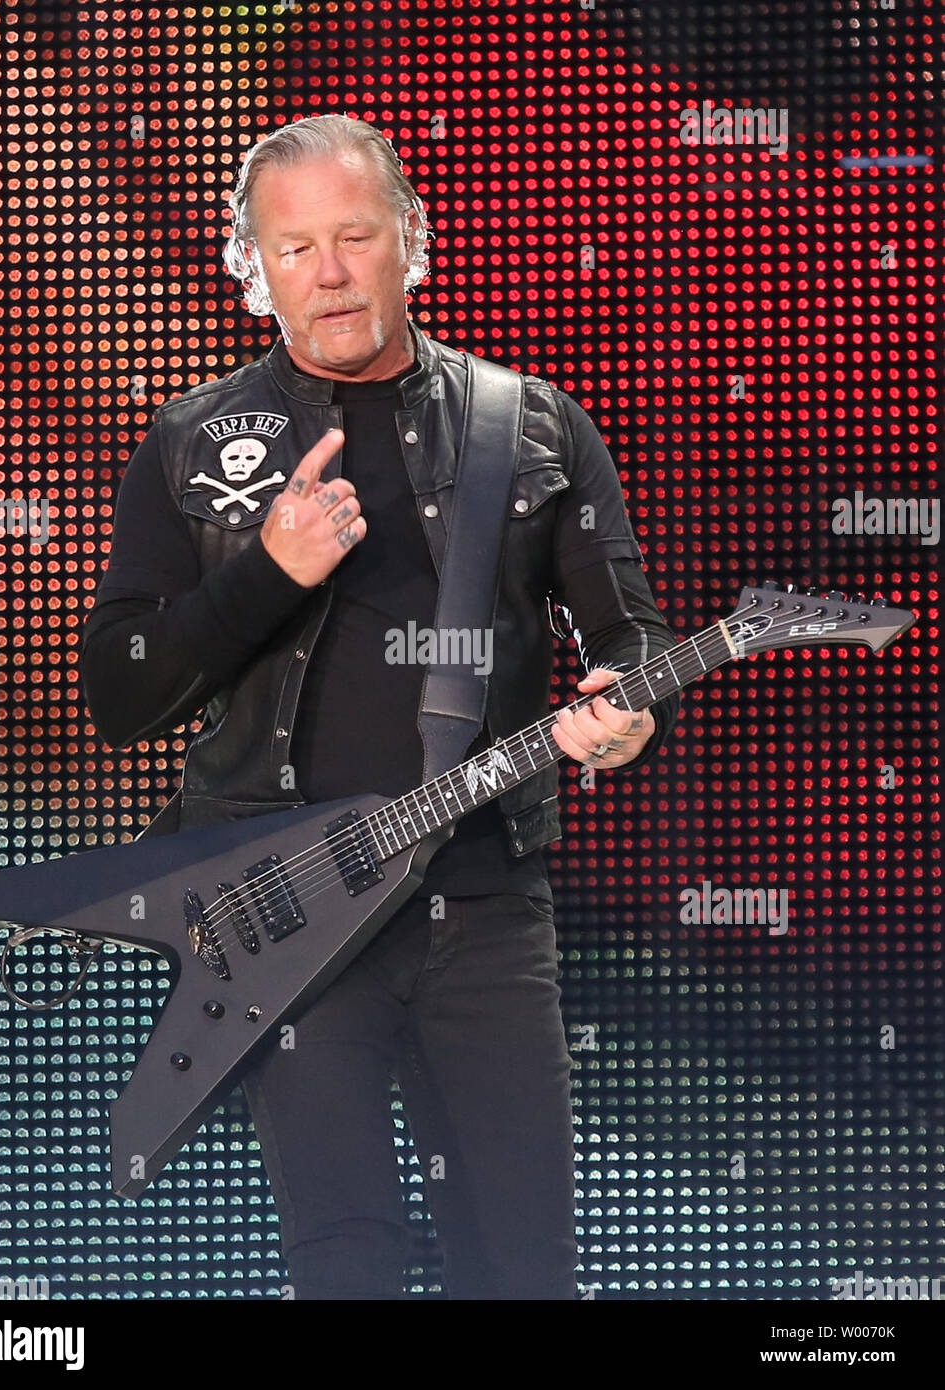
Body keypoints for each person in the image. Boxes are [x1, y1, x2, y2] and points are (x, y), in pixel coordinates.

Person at [80, 114, 682, 1300]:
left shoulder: (533, 423)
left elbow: (631, 636)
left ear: (412, 240)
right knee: (344, 1260)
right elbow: (121, 692)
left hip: (484, 910)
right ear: (250, 269)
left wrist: (628, 706)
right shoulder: (190, 440)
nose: (333, 272)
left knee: (520, 1267)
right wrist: (268, 569)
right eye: (295, 247)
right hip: (288, 921)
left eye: (356, 235)